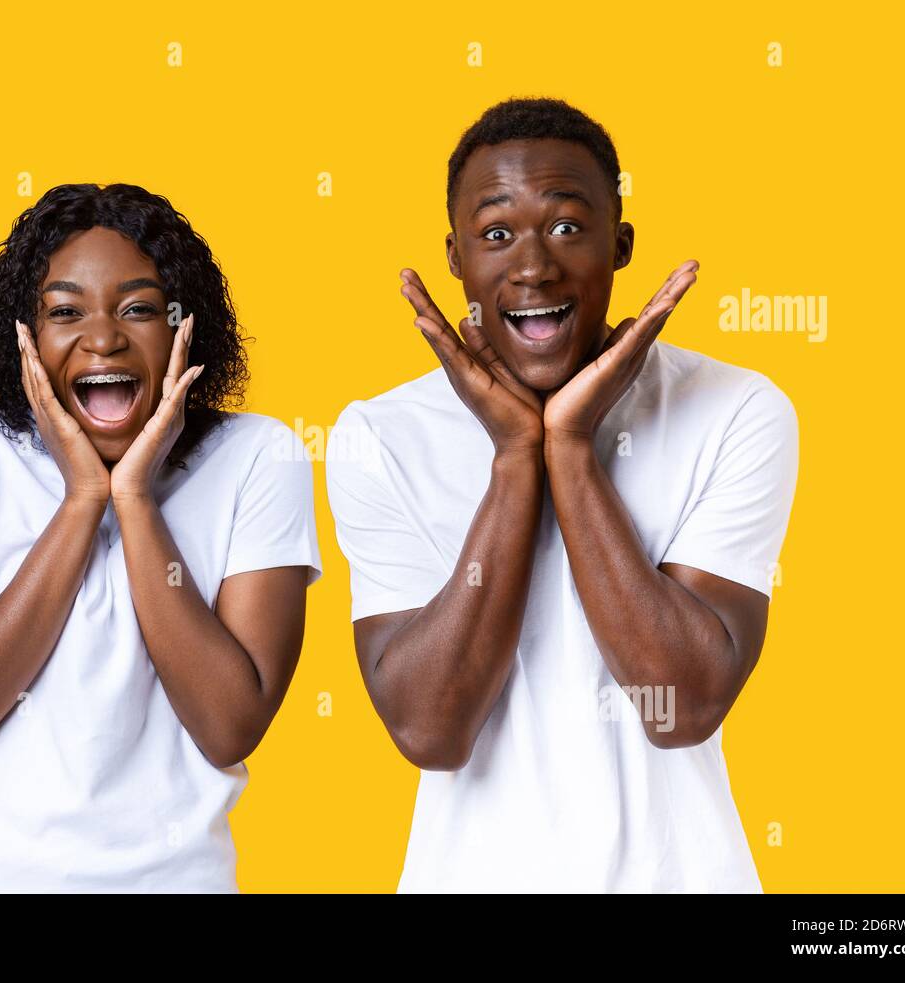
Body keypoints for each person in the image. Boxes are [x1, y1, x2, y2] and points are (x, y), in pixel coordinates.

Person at [325, 98, 799, 892]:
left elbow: (678, 706)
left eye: (568, 228)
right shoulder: (379, 435)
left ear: (621, 246)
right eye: (497, 232)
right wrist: (517, 457)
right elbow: (431, 727)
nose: (534, 265)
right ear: (455, 255)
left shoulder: (737, 410)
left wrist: (570, 451)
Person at [0, 183, 321, 892]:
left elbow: (228, 724)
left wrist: (136, 499)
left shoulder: (257, 457)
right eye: (65, 311)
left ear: (186, 328)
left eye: (139, 308)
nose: (103, 337)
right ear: (23, 334)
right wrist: (84, 498)